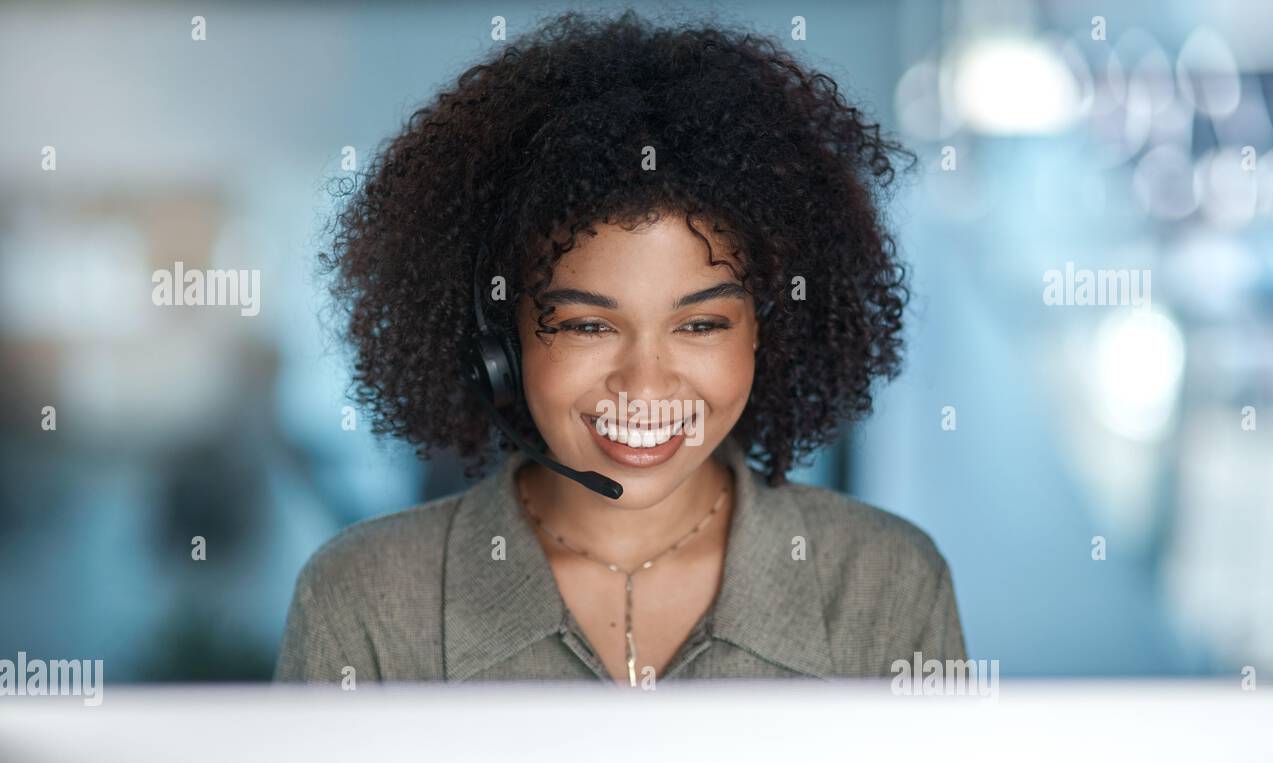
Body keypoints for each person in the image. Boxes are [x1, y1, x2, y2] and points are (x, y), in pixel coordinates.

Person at [274, 10, 967, 687]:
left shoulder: (886, 582)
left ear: (768, 333)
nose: (644, 385)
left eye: (701, 325)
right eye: (586, 325)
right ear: (499, 341)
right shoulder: (362, 599)